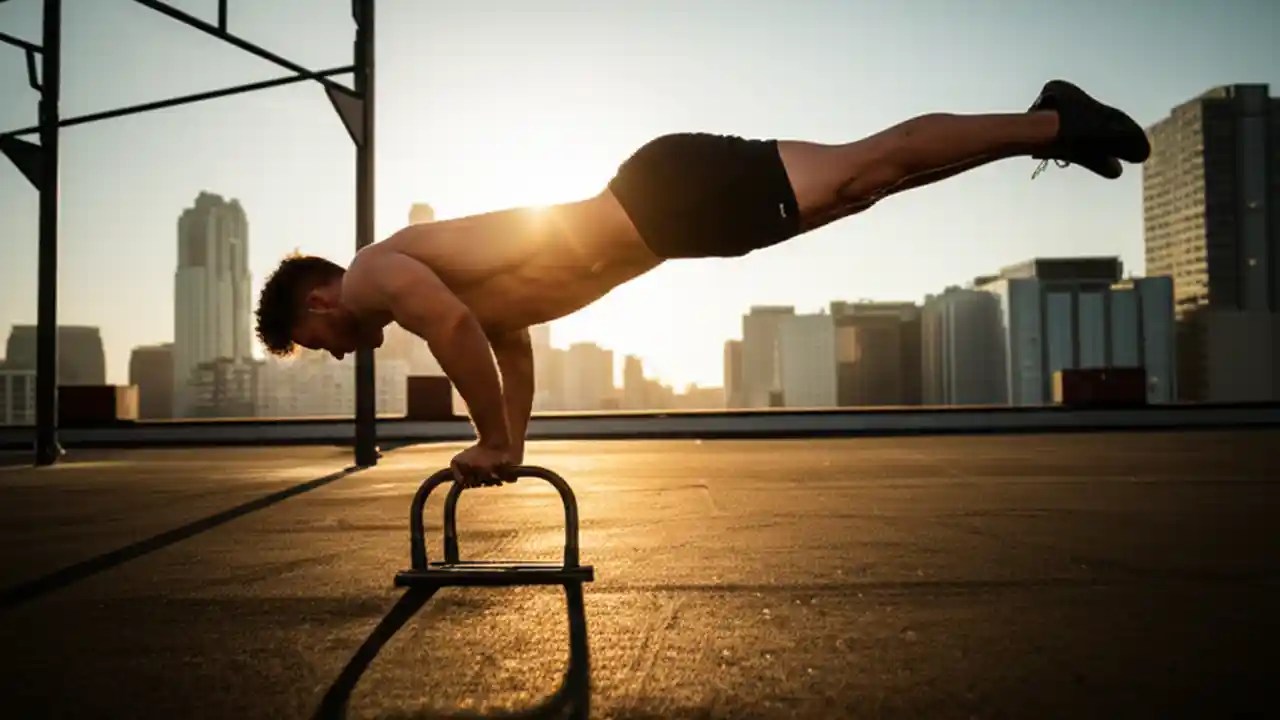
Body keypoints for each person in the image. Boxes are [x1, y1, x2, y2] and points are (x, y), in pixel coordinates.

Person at [253, 79, 1150, 484]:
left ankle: (1053, 122)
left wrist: (488, 442)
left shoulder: (375, 277)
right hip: (669, 212)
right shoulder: (416, 278)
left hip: (662, 198)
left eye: (315, 342)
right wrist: (512, 442)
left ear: (319, 302)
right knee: (868, 181)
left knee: (864, 170)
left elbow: (455, 334)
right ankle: (1052, 122)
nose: (334, 353)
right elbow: (507, 347)